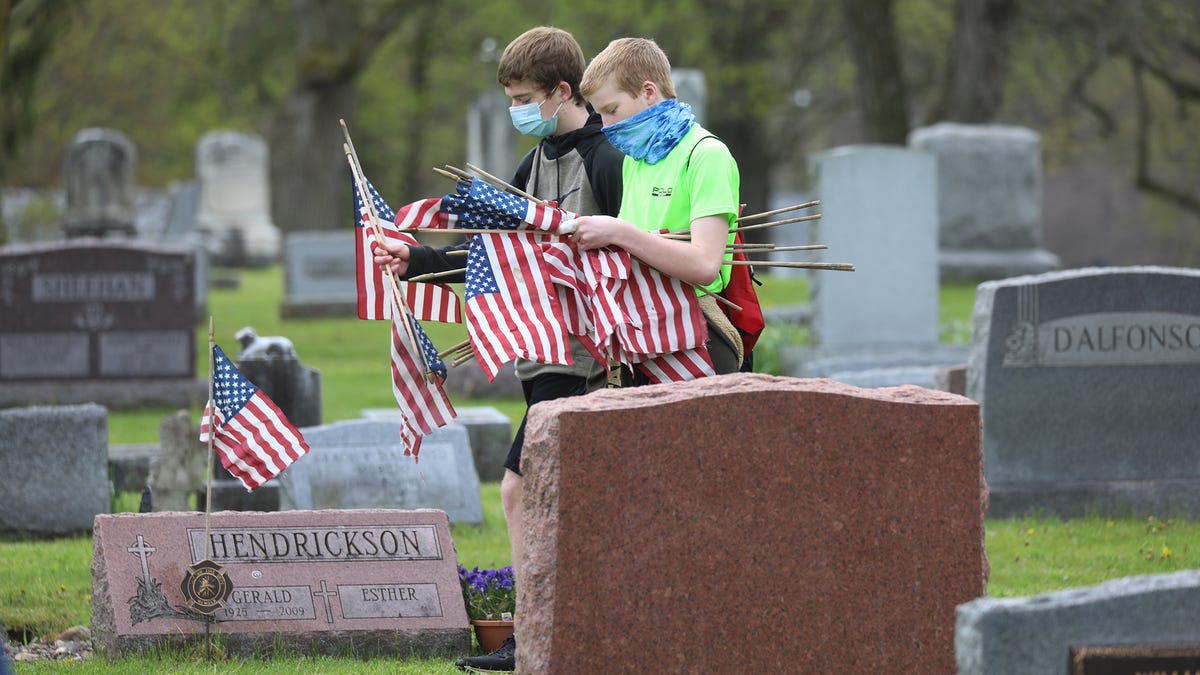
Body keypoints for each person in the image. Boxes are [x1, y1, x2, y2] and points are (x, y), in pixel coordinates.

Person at [372, 26, 624, 673]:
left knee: (519, 490)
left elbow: (634, 254)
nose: (517, 110)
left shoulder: (605, 158)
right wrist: (419, 257)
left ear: (560, 91)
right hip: (540, 362)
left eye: (522, 97)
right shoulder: (531, 166)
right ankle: (549, 631)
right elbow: (491, 256)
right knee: (542, 496)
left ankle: (530, 637)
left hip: (590, 364)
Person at [574, 37, 744, 376]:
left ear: (649, 92)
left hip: (694, 336)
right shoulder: (634, 161)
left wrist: (620, 232)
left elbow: (705, 264)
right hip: (642, 333)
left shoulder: (706, 154)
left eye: (611, 110)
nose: (605, 126)